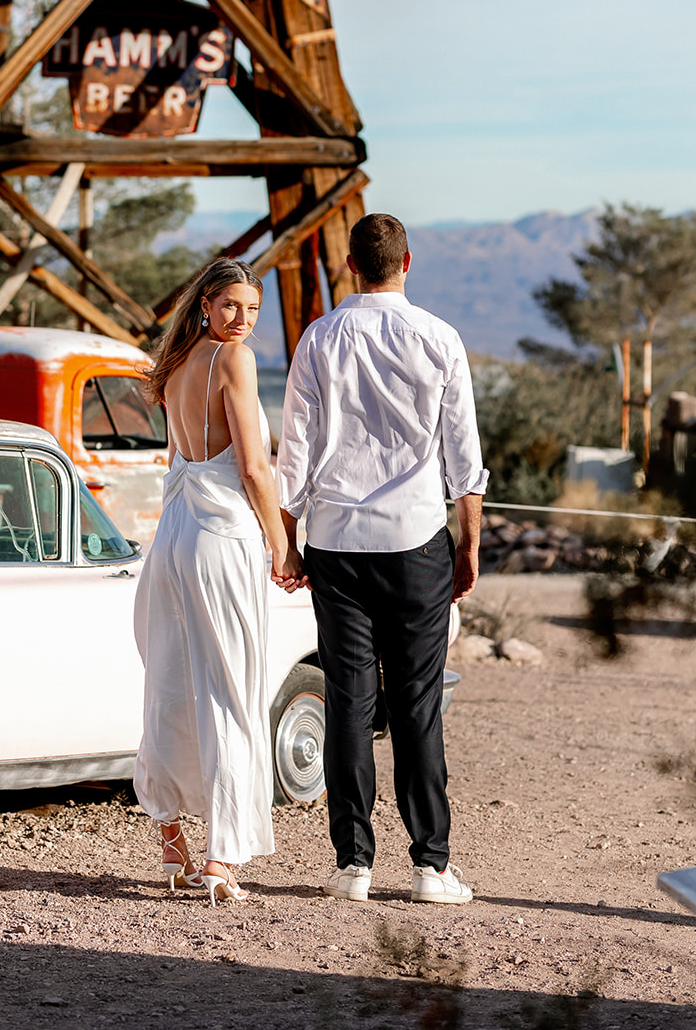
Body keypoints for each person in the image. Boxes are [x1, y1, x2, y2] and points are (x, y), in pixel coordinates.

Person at [276, 213, 487, 905]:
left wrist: (286, 538)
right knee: (417, 706)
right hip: (416, 538)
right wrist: (470, 544)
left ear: (349, 265)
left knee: (347, 700)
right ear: (407, 261)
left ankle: (352, 866)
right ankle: (430, 867)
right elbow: (463, 456)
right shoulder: (439, 337)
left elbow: (296, 450)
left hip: (335, 541)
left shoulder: (318, 338)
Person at [133, 258, 306, 905]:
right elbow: (256, 470)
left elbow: (184, 458)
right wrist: (282, 545)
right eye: (232, 306)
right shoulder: (231, 361)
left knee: (173, 685)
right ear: (206, 303)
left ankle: (173, 841)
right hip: (220, 537)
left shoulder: (176, 363)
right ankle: (221, 859)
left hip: (175, 537)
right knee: (231, 692)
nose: (243, 320)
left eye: (253, 310)